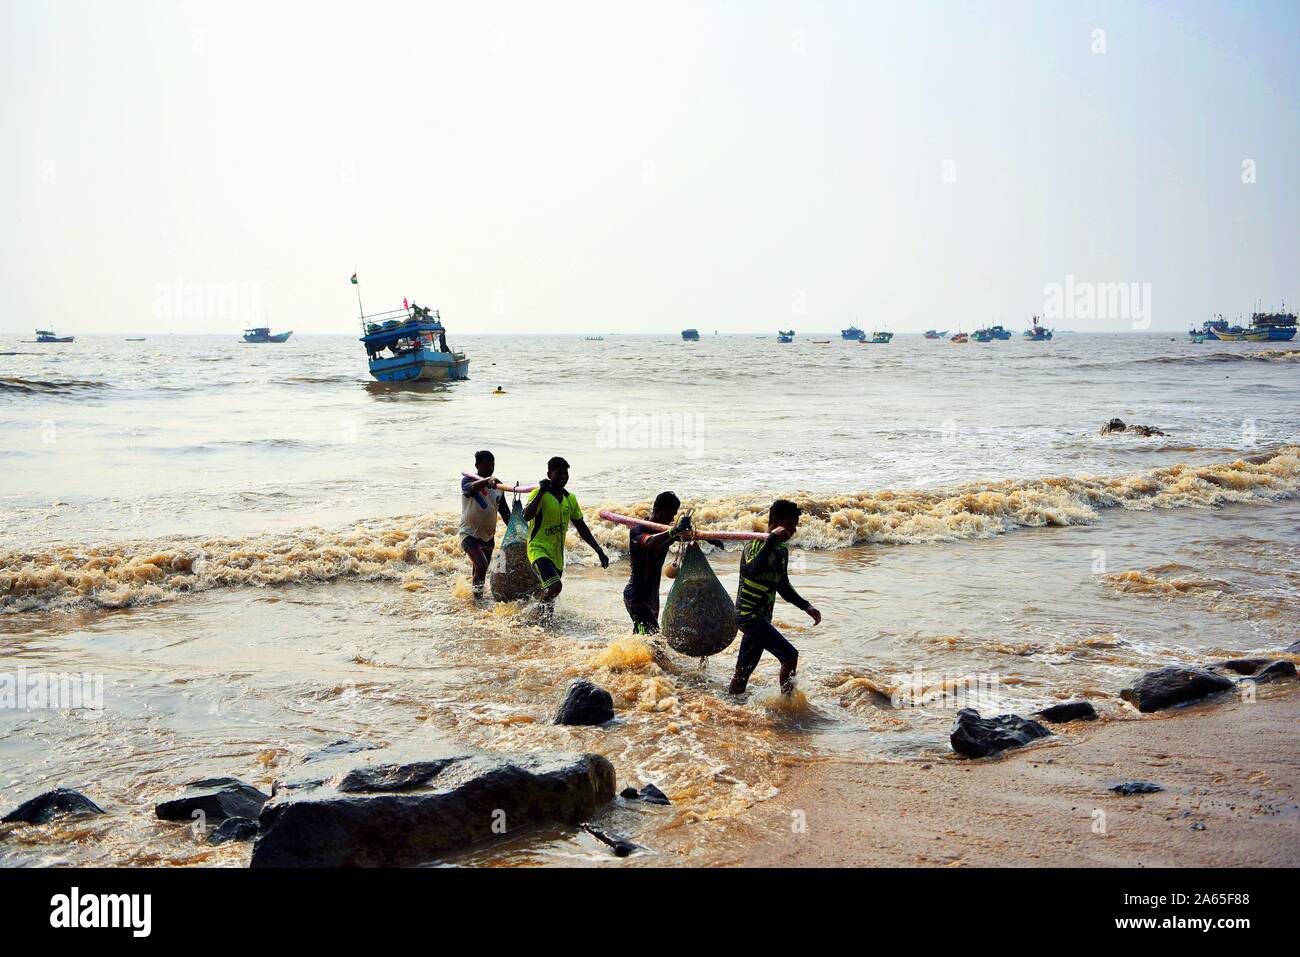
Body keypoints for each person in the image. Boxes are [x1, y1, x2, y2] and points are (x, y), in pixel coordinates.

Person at [729, 499, 821, 695]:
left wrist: (806, 606)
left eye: (795, 525)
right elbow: (754, 570)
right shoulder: (755, 544)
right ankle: (787, 704)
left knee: (743, 672)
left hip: (761, 619)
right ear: (776, 521)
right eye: (790, 524)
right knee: (789, 656)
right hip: (748, 615)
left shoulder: (781, 550)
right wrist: (770, 539)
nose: (793, 530)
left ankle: (731, 706)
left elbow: (783, 585)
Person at [522, 456, 608, 603]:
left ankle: (542, 624)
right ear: (549, 475)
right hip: (538, 550)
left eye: (565, 474)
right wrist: (542, 491)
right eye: (558, 474)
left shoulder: (570, 499)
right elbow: (526, 516)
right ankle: (535, 614)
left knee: (551, 595)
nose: (563, 477)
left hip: (557, 555)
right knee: (555, 587)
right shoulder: (538, 494)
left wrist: (599, 550)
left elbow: (581, 527)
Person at [623, 491, 691, 634]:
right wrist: (674, 531)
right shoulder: (638, 530)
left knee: (643, 639)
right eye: (669, 515)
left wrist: (708, 538)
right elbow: (650, 541)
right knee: (655, 642)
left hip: (652, 598)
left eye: (674, 515)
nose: (671, 519)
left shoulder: (666, 532)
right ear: (658, 510)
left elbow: (683, 537)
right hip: (637, 598)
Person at [460, 450, 512, 596]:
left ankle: (476, 595)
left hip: (488, 536)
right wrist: (486, 481)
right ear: (477, 465)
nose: (490, 468)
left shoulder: (497, 488)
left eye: (492, 465)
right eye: (487, 465)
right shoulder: (468, 481)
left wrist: (515, 532)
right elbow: (469, 490)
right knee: (481, 565)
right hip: (469, 533)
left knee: (479, 569)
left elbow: (505, 512)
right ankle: (477, 601)